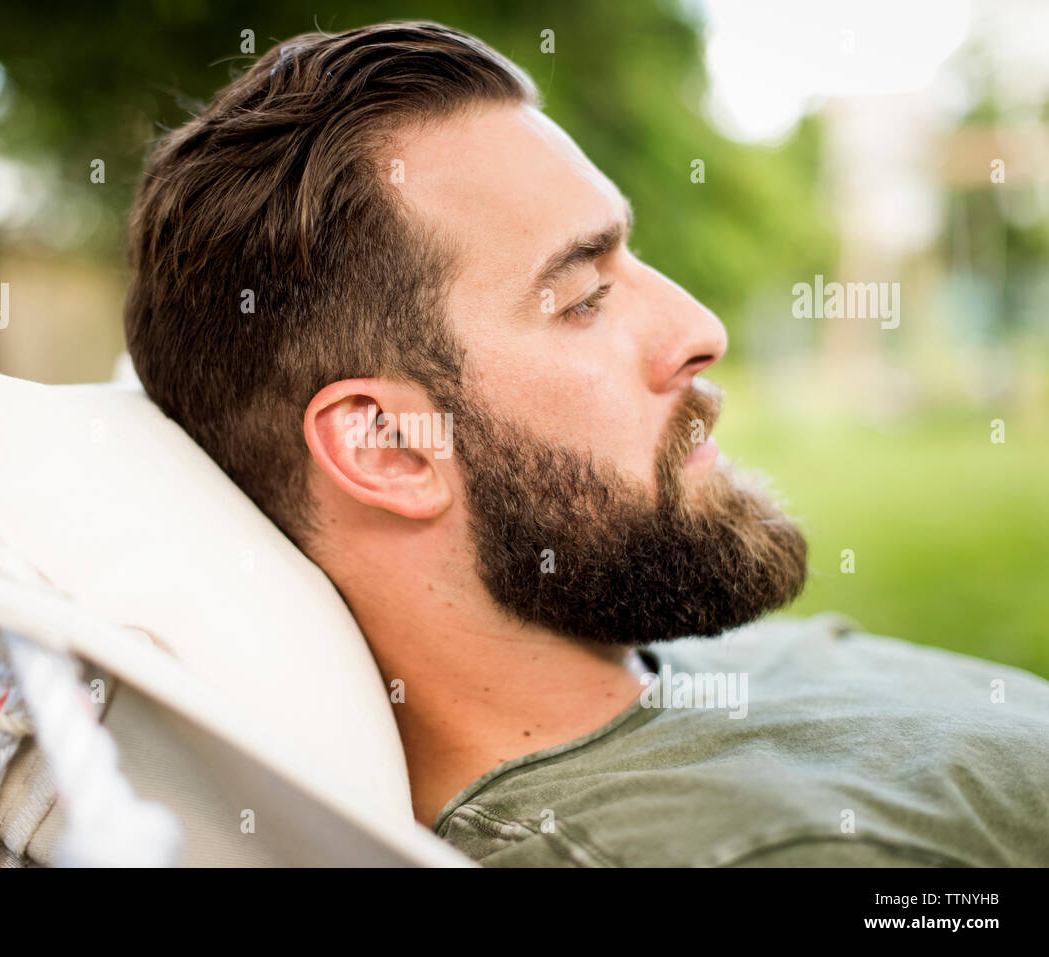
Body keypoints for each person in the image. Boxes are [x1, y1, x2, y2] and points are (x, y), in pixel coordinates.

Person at [122, 21, 1049, 866]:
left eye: (628, 260)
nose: (702, 326)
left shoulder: (661, 657)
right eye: (583, 297)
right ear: (391, 447)